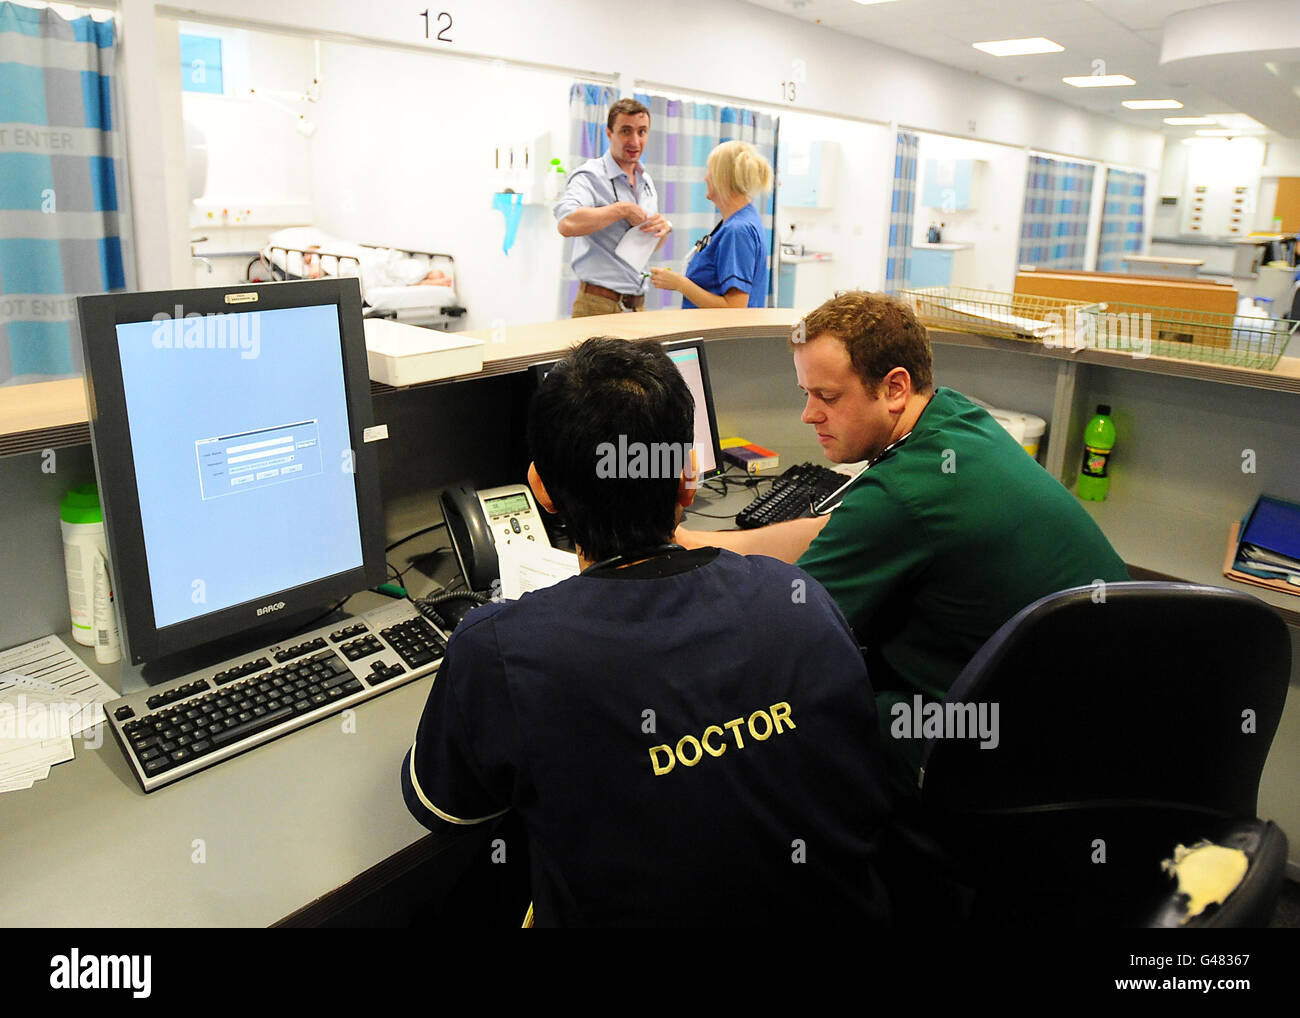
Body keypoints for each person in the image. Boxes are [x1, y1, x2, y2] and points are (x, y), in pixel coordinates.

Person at [401, 337, 894, 927]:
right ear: (687, 481)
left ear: (541, 489)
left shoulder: (500, 648)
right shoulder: (799, 598)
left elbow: (446, 809)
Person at [675, 291, 1129, 775]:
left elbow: (783, 627)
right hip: (1097, 710)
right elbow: (832, 530)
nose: (809, 414)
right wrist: (695, 544)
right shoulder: (952, 421)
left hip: (1024, 744)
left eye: (826, 396)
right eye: (805, 393)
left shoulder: (904, 493)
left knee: (785, 705)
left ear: (894, 388)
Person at [555, 98, 671, 317]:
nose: (635, 141)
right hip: (597, 305)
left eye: (642, 131)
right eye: (626, 131)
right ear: (609, 133)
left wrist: (661, 231)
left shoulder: (645, 181)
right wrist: (621, 210)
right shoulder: (590, 176)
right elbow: (567, 223)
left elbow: (645, 245)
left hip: (636, 306)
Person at [649, 140, 772, 309]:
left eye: (710, 171)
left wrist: (679, 284)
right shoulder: (741, 219)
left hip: (726, 334)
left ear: (723, 178)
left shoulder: (738, 230)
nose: (706, 178)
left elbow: (734, 308)